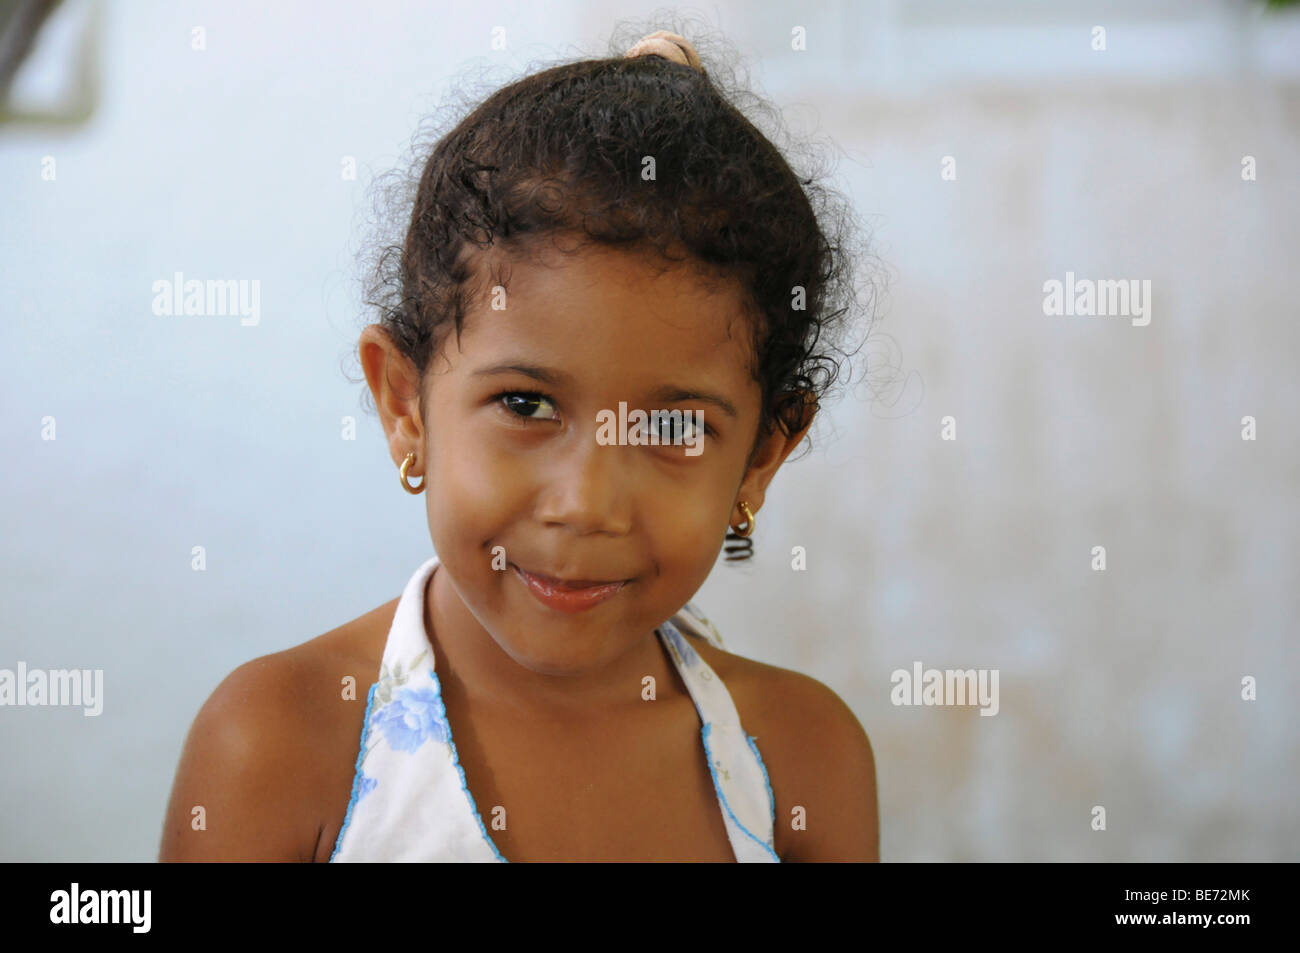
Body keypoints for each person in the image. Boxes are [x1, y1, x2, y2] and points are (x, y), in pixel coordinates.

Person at [160, 27, 879, 863]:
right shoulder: (279, 743)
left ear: (762, 454)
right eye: (526, 403)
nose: (585, 503)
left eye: (674, 426)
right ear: (407, 404)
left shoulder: (800, 758)